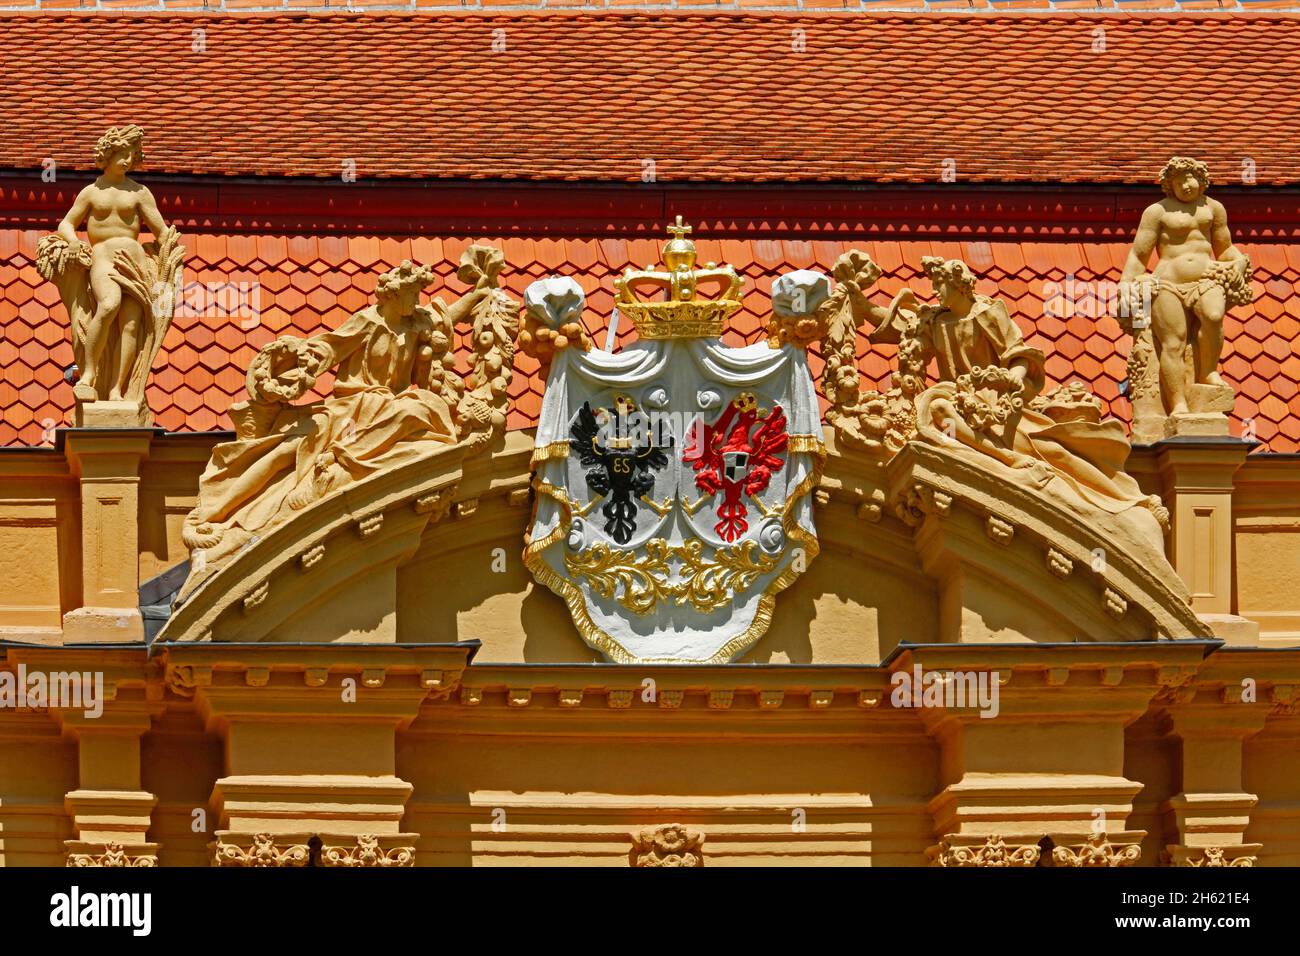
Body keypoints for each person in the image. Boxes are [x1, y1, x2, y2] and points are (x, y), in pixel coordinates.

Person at [1120, 157, 1251, 416]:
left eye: (1189, 179)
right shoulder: (1158, 212)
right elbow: (1138, 255)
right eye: (1179, 181)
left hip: (1206, 278)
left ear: (1201, 180)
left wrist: (1238, 261)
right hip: (1167, 283)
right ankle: (1178, 403)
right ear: (1170, 185)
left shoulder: (1213, 209)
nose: (1186, 185)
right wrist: (1127, 283)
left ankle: (1208, 371)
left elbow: (1224, 248)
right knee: (1173, 343)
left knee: (1213, 316)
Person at [53, 125, 170, 400]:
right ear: (108, 153)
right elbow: (66, 224)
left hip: (134, 258)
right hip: (103, 256)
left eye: (132, 154)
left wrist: (171, 253)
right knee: (108, 305)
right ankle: (90, 374)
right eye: (122, 153)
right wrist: (72, 242)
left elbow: (161, 231)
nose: (128, 160)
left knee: (131, 323)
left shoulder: (139, 193)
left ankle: (119, 388)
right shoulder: (91, 192)